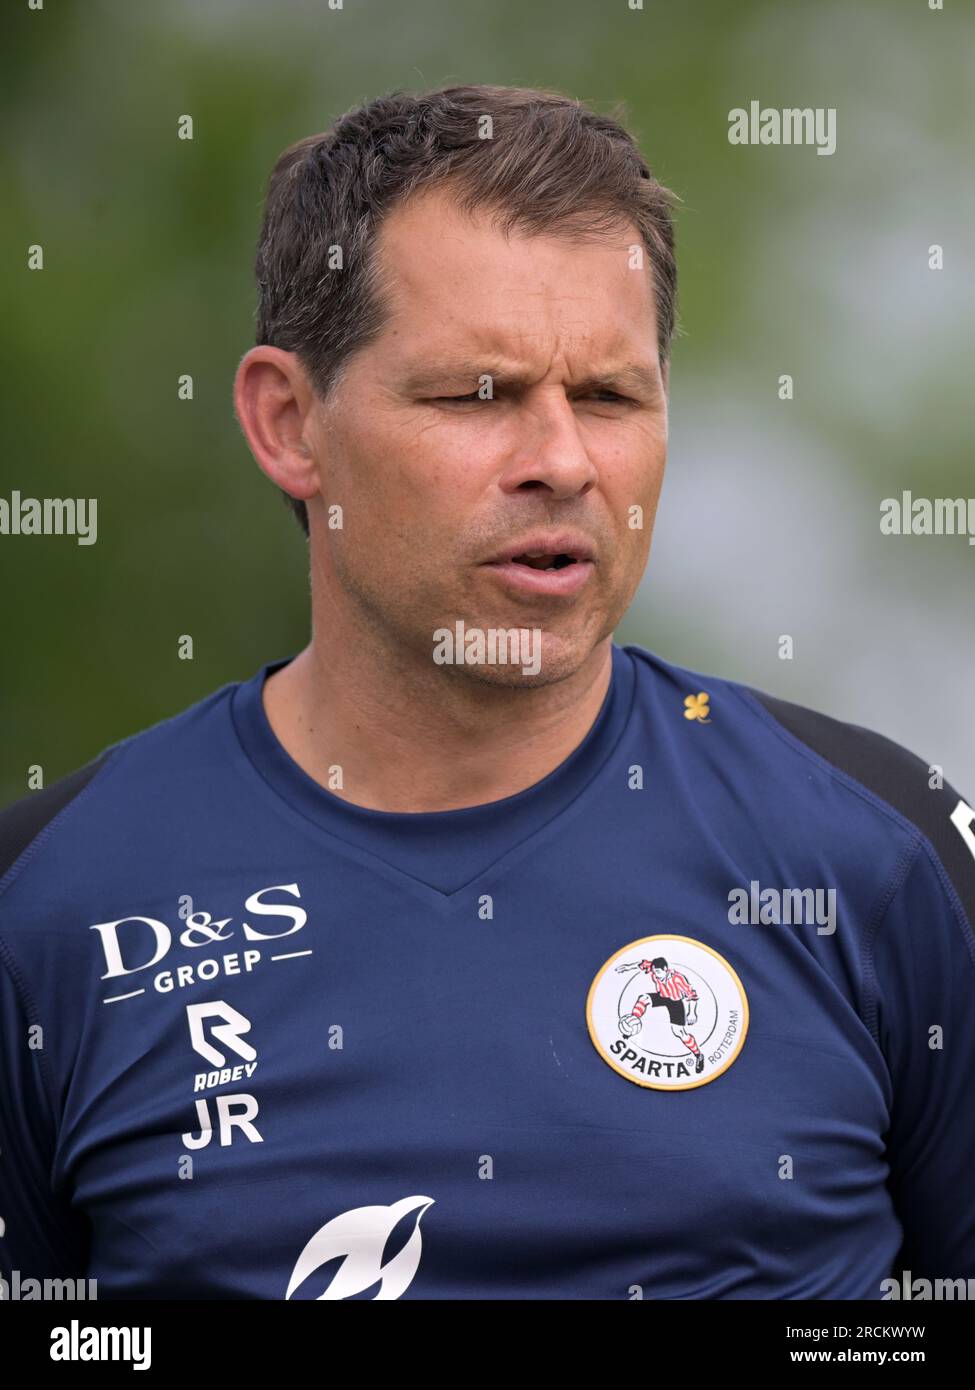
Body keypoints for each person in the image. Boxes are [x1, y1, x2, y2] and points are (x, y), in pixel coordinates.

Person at [1, 84, 972, 1302]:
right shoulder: (46, 904)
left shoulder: (886, 848)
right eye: (479, 395)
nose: (564, 461)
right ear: (290, 423)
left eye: (610, 397)